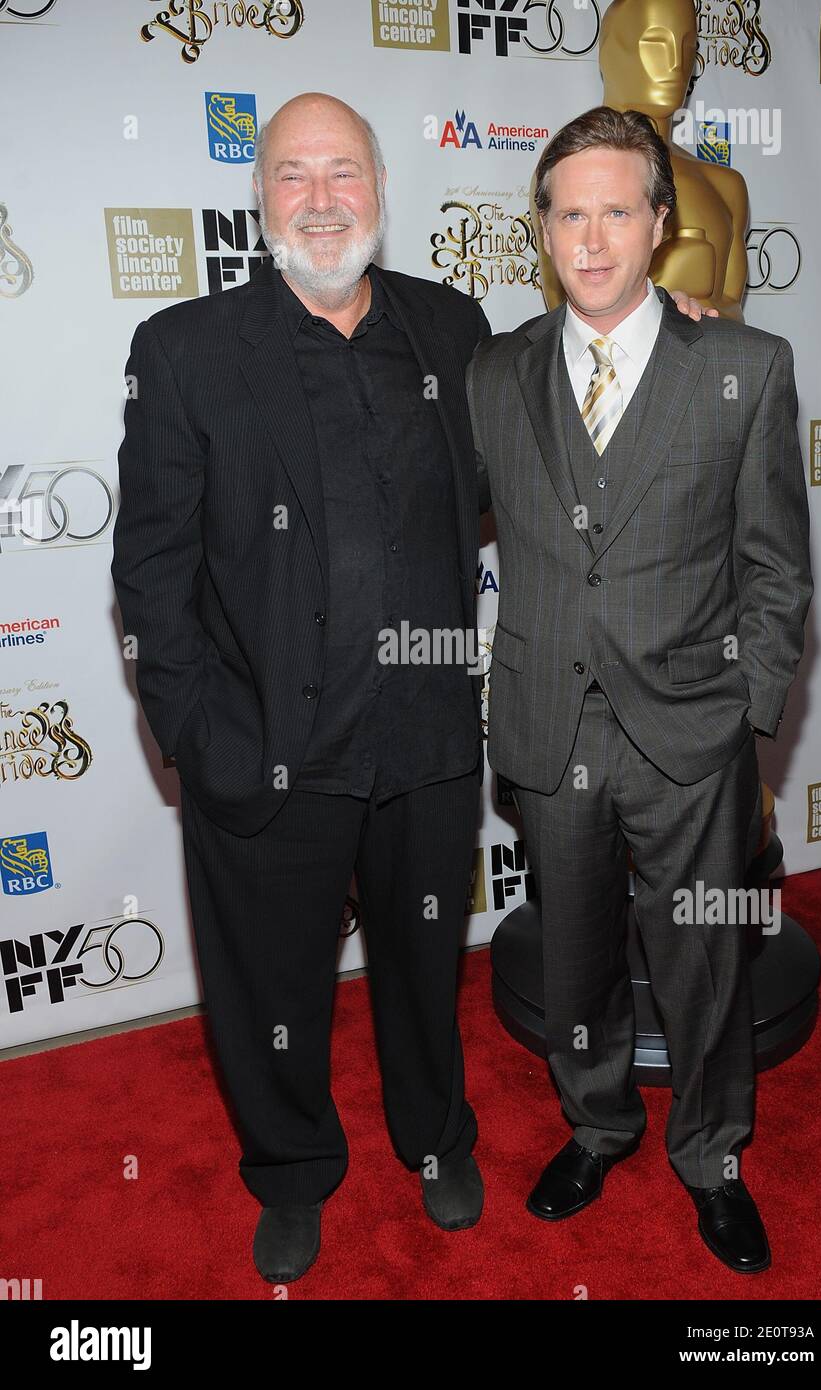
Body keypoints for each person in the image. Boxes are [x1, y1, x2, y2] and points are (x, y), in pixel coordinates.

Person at [112, 89, 711, 1287]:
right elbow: (149, 573)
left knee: (425, 967)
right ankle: (289, 1168)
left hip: (429, 741)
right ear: (260, 194)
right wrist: (201, 735)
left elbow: (559, 431)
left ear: (382, 191)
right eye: (294, 175)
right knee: (268, 983)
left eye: (344, 173)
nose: (322, 199)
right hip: (264, 747)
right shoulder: (184, 351)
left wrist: (659, 328)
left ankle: (435, 1134)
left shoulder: (451, 327)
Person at [466, 105, 813, 1274]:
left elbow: (776, 564)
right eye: (571, 211)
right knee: (573, 955)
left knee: (703, 962)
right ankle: (599, 1121)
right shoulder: (493, 373)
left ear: (662, 225)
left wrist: (746, 716)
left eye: (619, 208)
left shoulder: (744, 367)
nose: (594, 235)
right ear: (544, 229)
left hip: (691, 734)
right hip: (547, 726)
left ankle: (712, 1155)